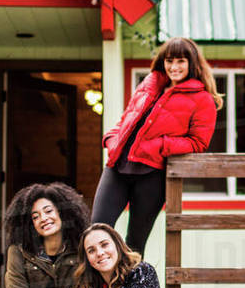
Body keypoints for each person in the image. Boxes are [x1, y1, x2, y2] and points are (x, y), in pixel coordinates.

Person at [93, 36, 222, 253]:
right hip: (117, 166)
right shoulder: (150, 84)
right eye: (169, 60)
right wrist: (111, 139)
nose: (174, 67)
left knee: (135, 243)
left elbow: (198, 142)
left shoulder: (203, 100)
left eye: (180, 61)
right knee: (97, 232)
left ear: (192, 64)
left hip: (151, 177)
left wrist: (160, 146)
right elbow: (127, 119)